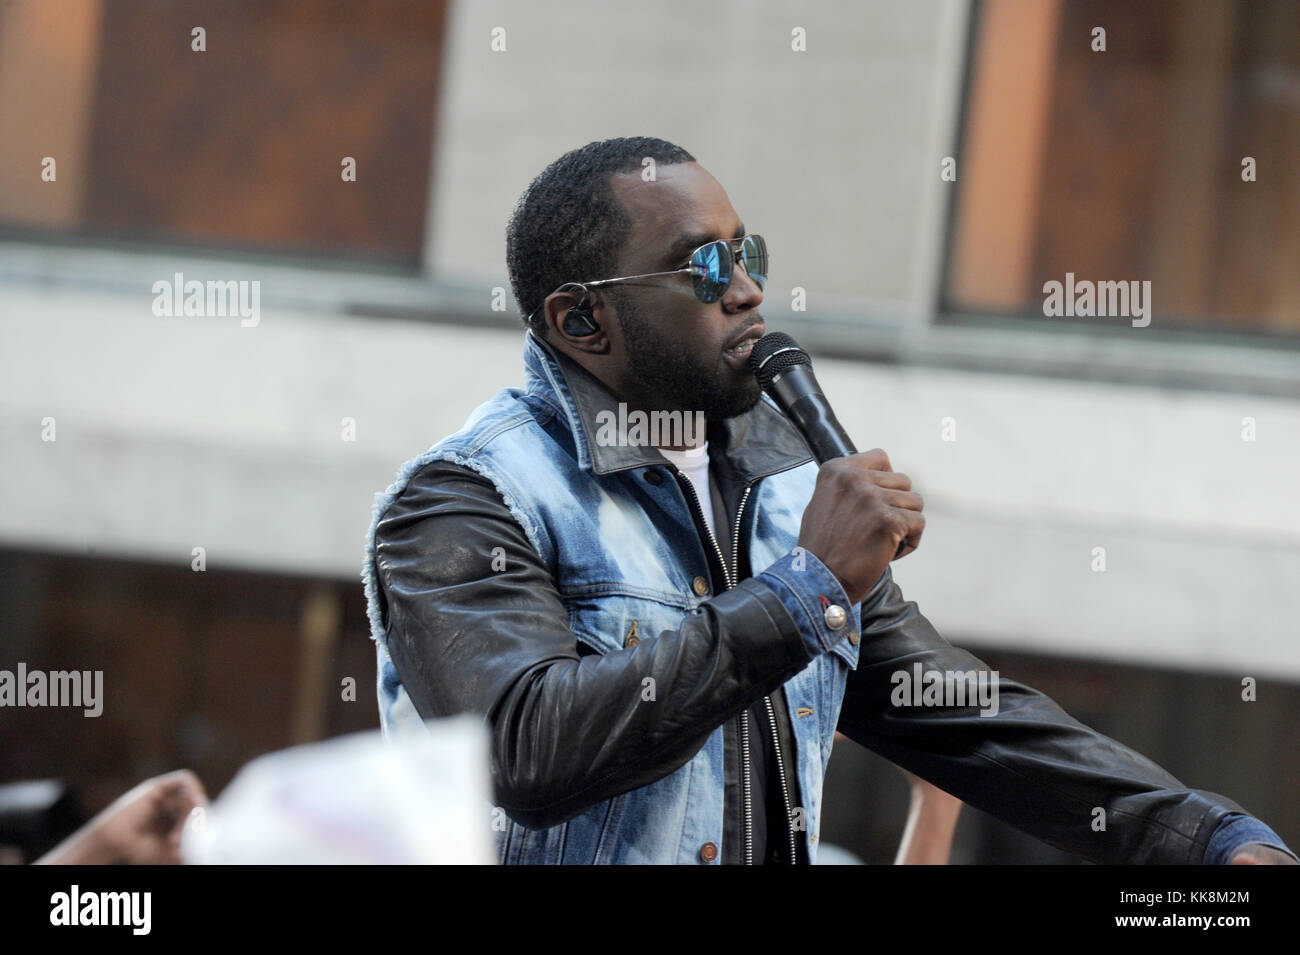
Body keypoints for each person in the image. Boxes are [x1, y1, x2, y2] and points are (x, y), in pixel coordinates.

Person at [363, 136, 1295, 865]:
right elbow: (527, 751)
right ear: (580, 319)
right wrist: (804, 591)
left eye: (746, 252)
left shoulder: (778, 497)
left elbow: (966, 716)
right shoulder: (467, 501)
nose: (748, 289)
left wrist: (1206, 836)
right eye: (701, 268)